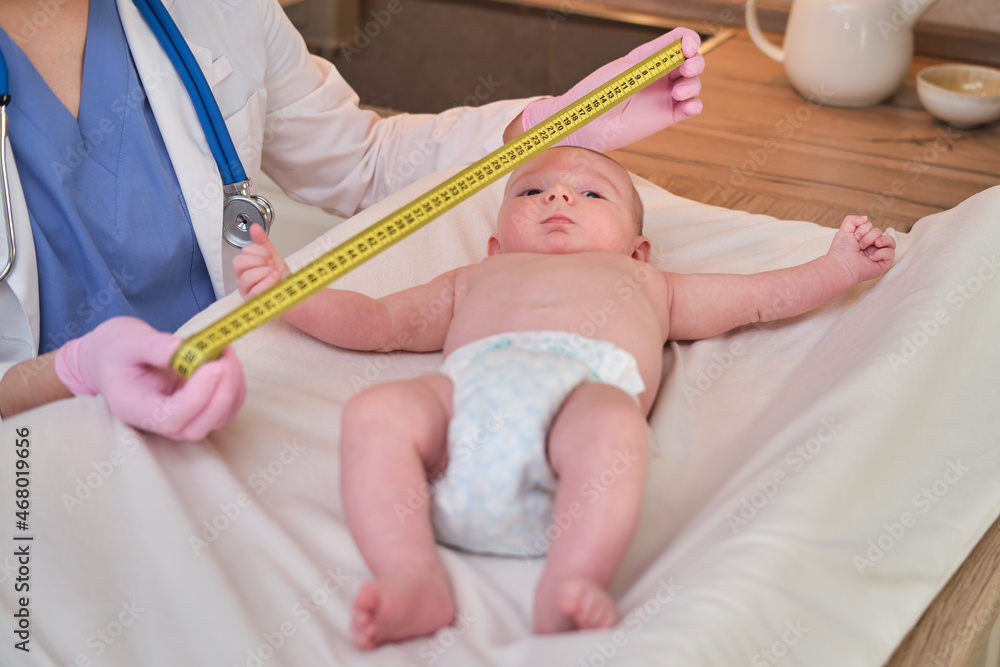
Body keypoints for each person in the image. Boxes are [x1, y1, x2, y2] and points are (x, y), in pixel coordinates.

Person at [232, 146, 897, 647]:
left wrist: (838, 267)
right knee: (377, 411)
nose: (559, 199)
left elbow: (756, 300)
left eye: (590, 193)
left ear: (640, 250)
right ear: (495, 242)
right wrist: (294, 293)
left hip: (576, 413)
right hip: (463, 409)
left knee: (613, 425)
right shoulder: (475, 278)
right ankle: (412, 575)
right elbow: (377, 323)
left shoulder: (650, 286)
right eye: (533, 189)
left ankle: (570, 577)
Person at [0, 0, 706, 436]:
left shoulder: (212, 9)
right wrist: (73, 371)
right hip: (31, 463)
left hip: (220, 406)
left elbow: (362, 163)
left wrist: (542, 127)